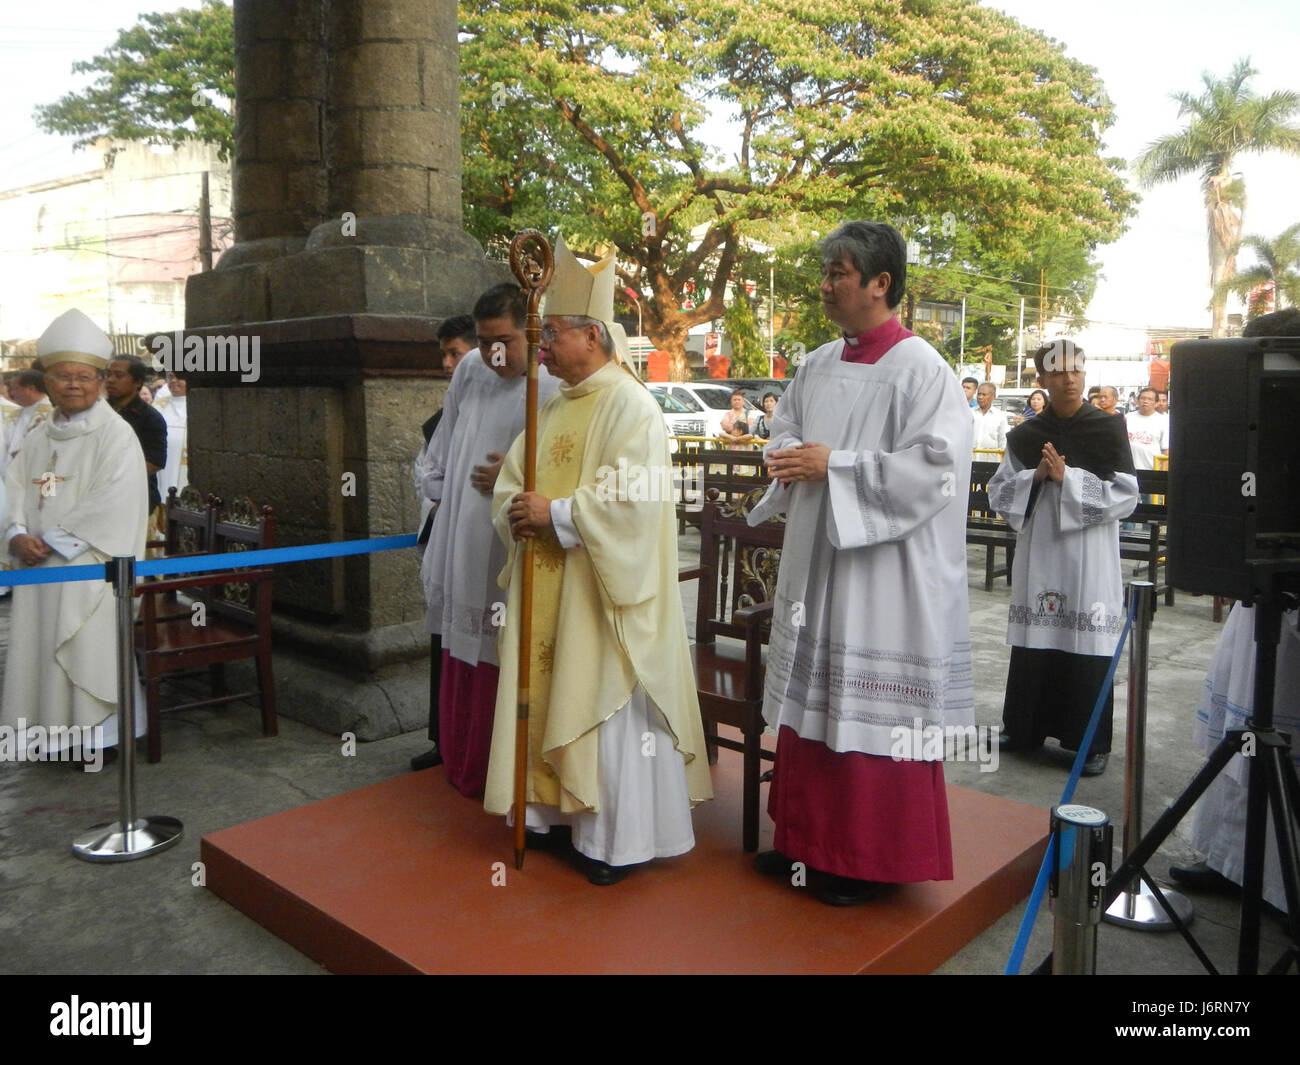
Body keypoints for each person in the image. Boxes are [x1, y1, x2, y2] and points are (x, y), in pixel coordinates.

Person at [746, 220, 974, 906]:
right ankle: (806, 848)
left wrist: (835, 466)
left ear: (881, 283)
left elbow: (937, 471)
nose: (825, 284)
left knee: (863, 712)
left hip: (884, 579)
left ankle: (864, 860)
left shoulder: (923, 370)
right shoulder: (817, 363)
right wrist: (786, 455)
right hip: (819, 560)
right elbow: (782, 425)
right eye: (825, 270)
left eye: (839, 272)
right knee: (814, 707)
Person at [483, 238, 712, 886]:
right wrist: (517, 507)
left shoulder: (632, 406)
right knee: (554, 687)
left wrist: (554, 514)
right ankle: (557, 818)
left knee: (603, 698)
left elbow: (633, 504)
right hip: (550, 588)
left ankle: (614, 840)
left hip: (602, 599)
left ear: (592, 333)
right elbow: (512, 481)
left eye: (552, 332)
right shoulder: (553, 405)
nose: (543, 345)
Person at [1170, 307, 1300, 910]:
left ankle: (1284, 886)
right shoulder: (1244, 424)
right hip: (1258, 605)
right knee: (1240, 736)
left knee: (1284, 748)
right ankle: (1231, 862)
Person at [417, 287, 559, 796]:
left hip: (518, 539)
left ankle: (506, 774)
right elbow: (444, 446)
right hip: (466, 528)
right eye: (483, 342)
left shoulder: (556, 380)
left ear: (533, 332)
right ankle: (461, 755)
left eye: (505, 341)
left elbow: (573, 464)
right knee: (464, 640)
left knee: (507, 643)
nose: (493, 354)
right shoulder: (474, 369)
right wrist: (448, 483)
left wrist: (521, 472)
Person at [0, 309, 148, 763]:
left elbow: (116, 499)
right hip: (35, 565)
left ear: (101, 380)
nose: (72, 385)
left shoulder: (116, 435)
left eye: (83, 377)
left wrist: (56, 541)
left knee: (86, 644)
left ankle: (98, 738)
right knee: (39, 648)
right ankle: (50, 737)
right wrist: (16, 533)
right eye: (62, 377)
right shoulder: (40, 434)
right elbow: (12, 486)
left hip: (87, 564)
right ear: (46, 381)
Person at [989, 339, 1138, 776]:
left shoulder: (1108, 428)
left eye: (1076, 369)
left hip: (1089, 553)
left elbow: (1127, 496)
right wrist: (1035, 475)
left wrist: (1067, 478)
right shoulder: (1025, 434)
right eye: (1058, 371)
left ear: (1085, 373)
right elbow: (999, 492)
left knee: (1088, 639)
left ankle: (1089, 743)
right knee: (1036, 637)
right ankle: (1024, 728)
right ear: (1042, 380)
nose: (1069, 378)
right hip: (1041, 549)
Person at [410, 313, 479, 773]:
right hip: (445, 531)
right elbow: (425, 468)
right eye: (444, 355)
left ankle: (471, 742)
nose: (447, 364)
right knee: (443, 641)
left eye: (455, 353)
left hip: (476, 541)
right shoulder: (449, 409)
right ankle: (444, 737)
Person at [105, 354, 166, 519]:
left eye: (118, 375)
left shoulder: (150, 417)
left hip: (136, 503)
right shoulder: (97, 412)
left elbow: (154, 463)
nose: (110, 380)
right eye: (108, 374)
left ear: (138, 382)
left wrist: (109, 476)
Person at [153, 372, 188, 502]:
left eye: (179, 377)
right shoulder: (158, 405)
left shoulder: (200, 403)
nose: (173, 380)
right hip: (162, 465)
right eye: (170, 377)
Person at [1124, 387, 1168, 471]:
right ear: (1137, 400)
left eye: (1150, 399)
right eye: (1143, 398)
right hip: (1130, 470)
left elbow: (1165, 450)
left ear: (1156, 403)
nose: (1145, 401)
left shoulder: (1162, 421)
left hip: (1152, 469)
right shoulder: (1128, 417)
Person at [971, 381, 1007, 453]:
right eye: (979, 394)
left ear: (993, 397)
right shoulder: (969, 413)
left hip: (991, 460)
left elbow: (1003, 441)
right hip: (969, 459)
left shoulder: (1000, 416)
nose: (980, 397)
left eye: (984, 395)